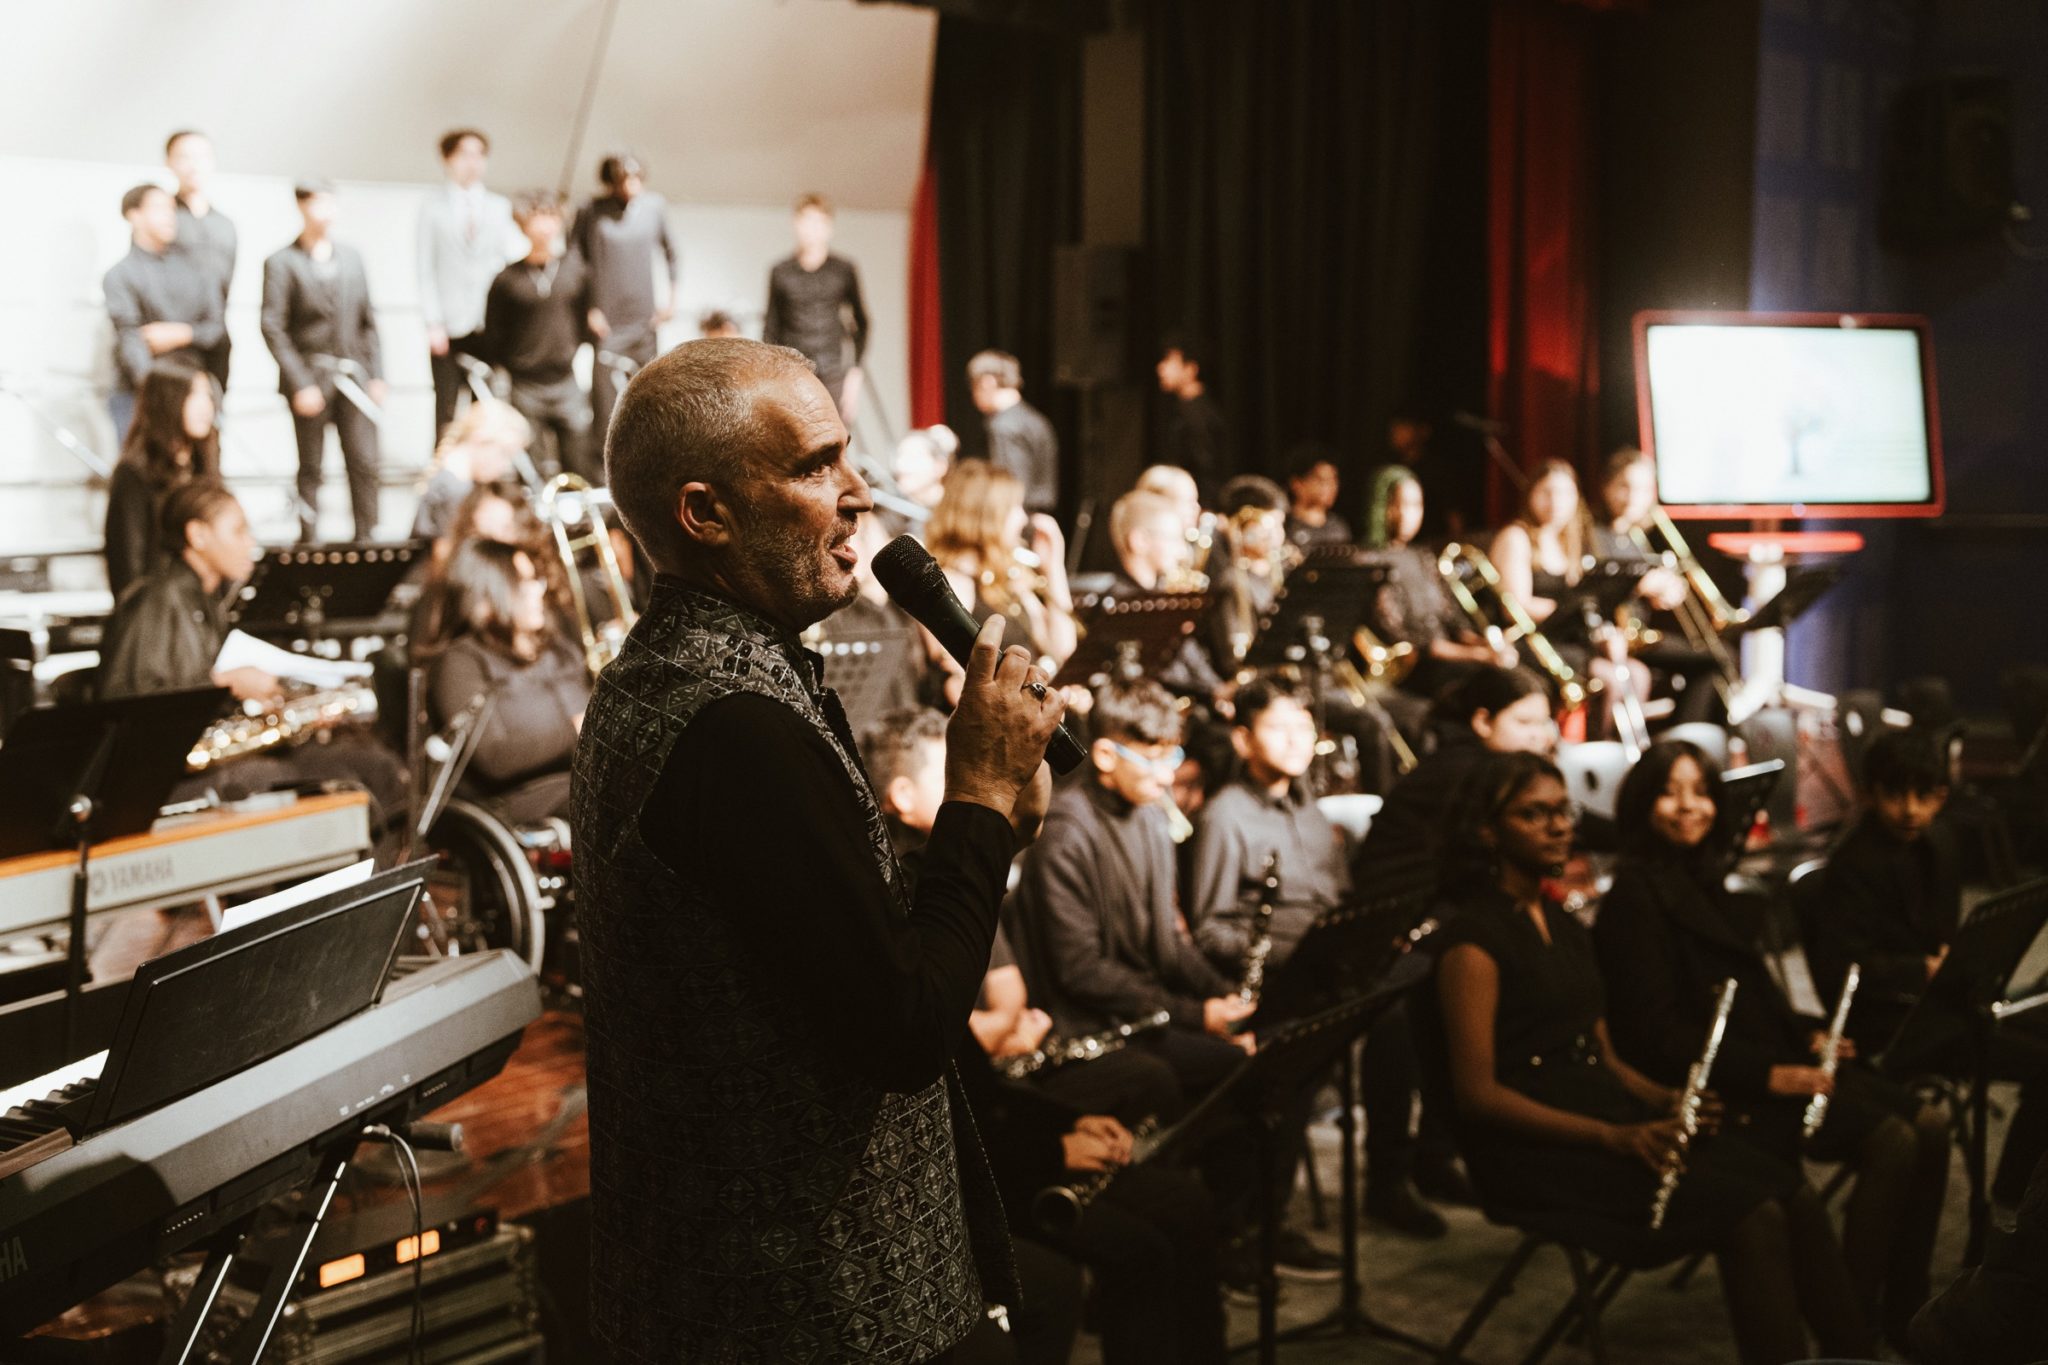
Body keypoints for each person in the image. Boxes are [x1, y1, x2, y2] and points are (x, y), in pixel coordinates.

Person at [573, 337, 1061, 1361]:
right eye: (811, 466)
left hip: (725, 1283)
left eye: (847, 457)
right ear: (704, 514)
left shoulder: (660, 673)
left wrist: (992, 810)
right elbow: (905, 1026)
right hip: (818, 1306)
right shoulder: (735, 729)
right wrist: (975, 796)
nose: (857, 494)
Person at [1420, 750, 1876, 1365]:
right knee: (1753, 1213)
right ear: (1486, 830)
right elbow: (1478, 1096)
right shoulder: (1471, 945)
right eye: (1534, 814)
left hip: (1604, 1115)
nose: (1559, 827)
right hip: (1534, 1155)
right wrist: (1614, 1136)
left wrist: (1664, 1099)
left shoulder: (1563, 921)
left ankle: (1856, 1355)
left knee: (1790, 1187)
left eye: (1563, 812)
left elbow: (1604, 1056)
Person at [863, 706, 1222, 1365]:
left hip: (998, 1114)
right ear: (903, 797)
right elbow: (942, 1069)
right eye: (964, 777)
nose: (989, 787)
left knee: (1184, 1198)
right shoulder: (910, 886)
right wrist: (1053, 1140)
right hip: (962, 1165)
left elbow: (999, 1019)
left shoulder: (949, 869)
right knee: (1131, 1250)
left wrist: (1058, 1121)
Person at [1593, 739, 1950, 1345]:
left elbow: (1751, 994)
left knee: (1932, 1128)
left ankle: (1902, 1301)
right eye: (1669, 793)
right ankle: (1854, 1318)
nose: (1690, 808)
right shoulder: (1633, 899)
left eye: (1701, 793)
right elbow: (1654, 1035)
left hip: (1767, 1057)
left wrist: (1806, 1035)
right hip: (1726, 1086)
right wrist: (1769, 1074)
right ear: (1640, 806)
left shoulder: (1702, 879)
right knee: (1892, 1140)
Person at [1811, 729, 2047, 1208]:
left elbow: (1944, 933)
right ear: (1871, 792)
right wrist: (1921, 970)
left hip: (1940, 1004)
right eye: (1896, 795)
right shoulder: (1852, 864)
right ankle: (2008, 1208)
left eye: (1926, 796)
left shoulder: (1940, 842)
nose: (1912, 810)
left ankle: (2015, 1200)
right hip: (1888, 1023)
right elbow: (1839, 973)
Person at [416, 539, 589, 824]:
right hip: (517, 802)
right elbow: (494, 758)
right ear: (490, 591)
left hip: (580, 780)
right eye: (524, 582)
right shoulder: (461, 661)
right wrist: (574, 730)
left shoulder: (557, 649)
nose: (539, 590)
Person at [1351, 664, 1556, 888]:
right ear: (1483, 721)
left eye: (1544, 722)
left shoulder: (1485, 761)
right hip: (1395, 901)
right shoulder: (1467, 768)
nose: (1539, 736)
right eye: (1525, 723)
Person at [260, 180, 386, 542]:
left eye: (331, 203)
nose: (326, 212)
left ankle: (367, 536)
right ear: (301, 207)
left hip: (354, 376)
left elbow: (368, 320)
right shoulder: (282, 262)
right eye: (318, 204)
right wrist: (300, 382)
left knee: (363, 460)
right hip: (311, 377)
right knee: (311, 466)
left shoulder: (351, 257)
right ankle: (309, 537)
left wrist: (376, 374)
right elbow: (272, 326)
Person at [97, 480, 271, 705]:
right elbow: (127, 699)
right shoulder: (157, 598)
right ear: (197, 534)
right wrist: (223, 683)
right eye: (238, 531)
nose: (250, 543)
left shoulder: (205, 597)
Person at [473, 192, 594, 483]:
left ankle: (582, 526)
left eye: (550, 216)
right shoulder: (506, 280)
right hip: (524, 386)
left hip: (567, 381)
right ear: (522, 224)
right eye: (536, 217)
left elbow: (587, 321)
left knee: (580, 463)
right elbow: (493, 334)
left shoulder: (576, 271)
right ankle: (539, 527)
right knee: (533, 472)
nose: (544, 226)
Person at [1363, 466, 1508, 705]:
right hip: (1417, 668)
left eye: (1415, 505)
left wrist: (1489, 645)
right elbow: (1407, 639)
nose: (1407, 514)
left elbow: (1452, 618)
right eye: (1398, 504)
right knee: (1488, 684)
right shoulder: (1371, 561)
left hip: (1450, 655)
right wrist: (1479, 655)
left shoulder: (1421, 556)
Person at [418, 129, 522, 439]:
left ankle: (484, 481)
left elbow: (515, 255)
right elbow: (424, 269)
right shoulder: (432, 208)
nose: (472, 163)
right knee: (447, 407)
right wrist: (433, 322)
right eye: (464, 155)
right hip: (449, 326)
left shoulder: (498, 207)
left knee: (487, 406)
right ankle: (442, 478)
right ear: (448, 159)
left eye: (479, 156)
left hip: (489, 324)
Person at [927, 461, 1077, 672]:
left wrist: (1054, 569)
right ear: (985, 514)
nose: (1023, 518)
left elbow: (1062, 647)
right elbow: (953, 674)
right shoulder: (952, 583)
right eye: (1014, 507)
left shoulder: (1007, 577)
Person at [571, 151, 680, 438]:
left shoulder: (654, 207)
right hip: (608, 320)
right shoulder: (591, 210)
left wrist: (671, 300)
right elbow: (576, 261)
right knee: (606, 404)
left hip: (644, 318)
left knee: (649, 396)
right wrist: (590, 308)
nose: (632, 186)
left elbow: (671, 254)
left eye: (636, 179)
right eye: (624, 179)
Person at [103, 184, 224, 441]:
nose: (169, 216)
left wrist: (183, 333)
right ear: (133, 215)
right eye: (158, 208)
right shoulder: (120, 275)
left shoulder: (200, 269)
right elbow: (129, 338)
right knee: (142, 473)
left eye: (171, 209)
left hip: (194, 388)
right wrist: (157, 392)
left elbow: (216, 328)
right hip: (139, 391)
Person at [104, 359, 218, 597]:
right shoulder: (134, 474)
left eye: (208, 395)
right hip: (161, 613)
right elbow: (127, 569)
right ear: (167, 401)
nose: (206, 407)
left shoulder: (201, 465)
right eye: (193, 395)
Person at [763, 193, 869, 418]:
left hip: (833, 372)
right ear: (796, 225)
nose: (812, 230)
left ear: (829, 228)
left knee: (834, 438)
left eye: (818, 222)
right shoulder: (781, 272)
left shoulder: (843, 270)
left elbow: (863, 323)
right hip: (793, 373)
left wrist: (854, 376)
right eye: (806, 221)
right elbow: (771, 330)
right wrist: (773, 380)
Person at [164, 130, 235, 390]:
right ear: (169, 162)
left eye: (201, 157)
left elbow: (226, 286)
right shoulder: (164, 217)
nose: (193, 165)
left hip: (215, 340)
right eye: (184, 157)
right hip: (173, 344)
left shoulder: (225, 226)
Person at [411, 399, 532, 541]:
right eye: (505, 453)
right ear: (480, 439)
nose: (506, 466)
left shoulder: (457, 484)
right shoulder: (451, 490)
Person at [968, 350, 1058, 517]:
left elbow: (1011, 486)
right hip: (1036, 515)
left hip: (1018, 519)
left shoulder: (1004, 427)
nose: (973, 395)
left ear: (987, 382)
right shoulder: (1035, 419)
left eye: (973, 386)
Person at [1154, 334, 1227, 500]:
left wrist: (1205, 506)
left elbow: (1206, 467)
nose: (1161, 368)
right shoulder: (1184, 409)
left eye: (1169, 362)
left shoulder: (1198, 414)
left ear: (1190, 369)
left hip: (1196, 503)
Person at [1283, 444, 1351, 552]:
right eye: (1321, 481)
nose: (1331, 487)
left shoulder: (1338, 527)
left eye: (1333, 480)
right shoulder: (1283, 526)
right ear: (1297, 484)